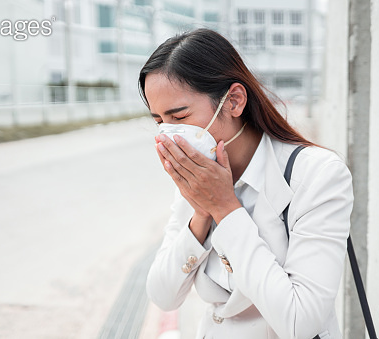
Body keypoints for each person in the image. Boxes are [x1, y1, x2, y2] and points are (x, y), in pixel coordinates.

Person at [138, 28, 353, 339]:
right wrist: (201, 214)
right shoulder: (198, 178)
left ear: (234, 101)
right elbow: (163, 294)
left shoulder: (317, 174)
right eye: (159, 121)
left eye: (180, 117)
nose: (169, 134)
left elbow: (300, 322)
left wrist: (225, 208)